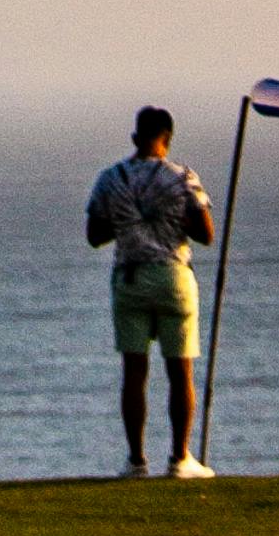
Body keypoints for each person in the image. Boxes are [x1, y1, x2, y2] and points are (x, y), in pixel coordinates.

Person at [87, 102, 216, 479]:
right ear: (168, 139)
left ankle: (136, 460)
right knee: (180, 371)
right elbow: (205, 233)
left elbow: (95, 235)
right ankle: (180, 458)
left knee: (134, 371)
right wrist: (171, 221)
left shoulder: (111, 178)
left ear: (135, 137)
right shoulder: (183, 177)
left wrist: (128, 225)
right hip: (173, 277)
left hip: (130, 278)